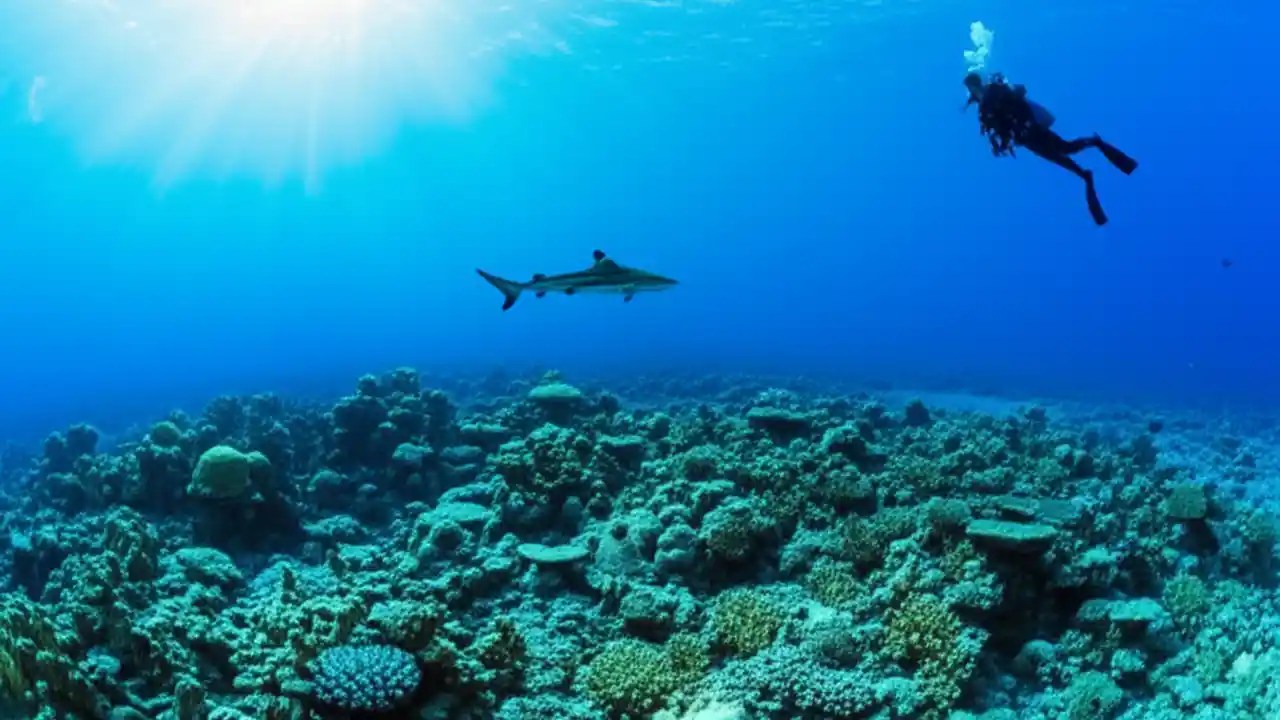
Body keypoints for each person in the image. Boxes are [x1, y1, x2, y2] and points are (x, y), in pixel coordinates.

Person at [964, 72, 1138, 226]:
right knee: (1066, 150)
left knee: (1064, 155)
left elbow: (998, 127)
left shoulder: (988, 100)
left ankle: (1088, 169)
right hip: (1032, 132)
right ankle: (1094, 152)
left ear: (972, 87)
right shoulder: (994, 92)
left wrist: (1000, 142)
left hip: (1030, 136)